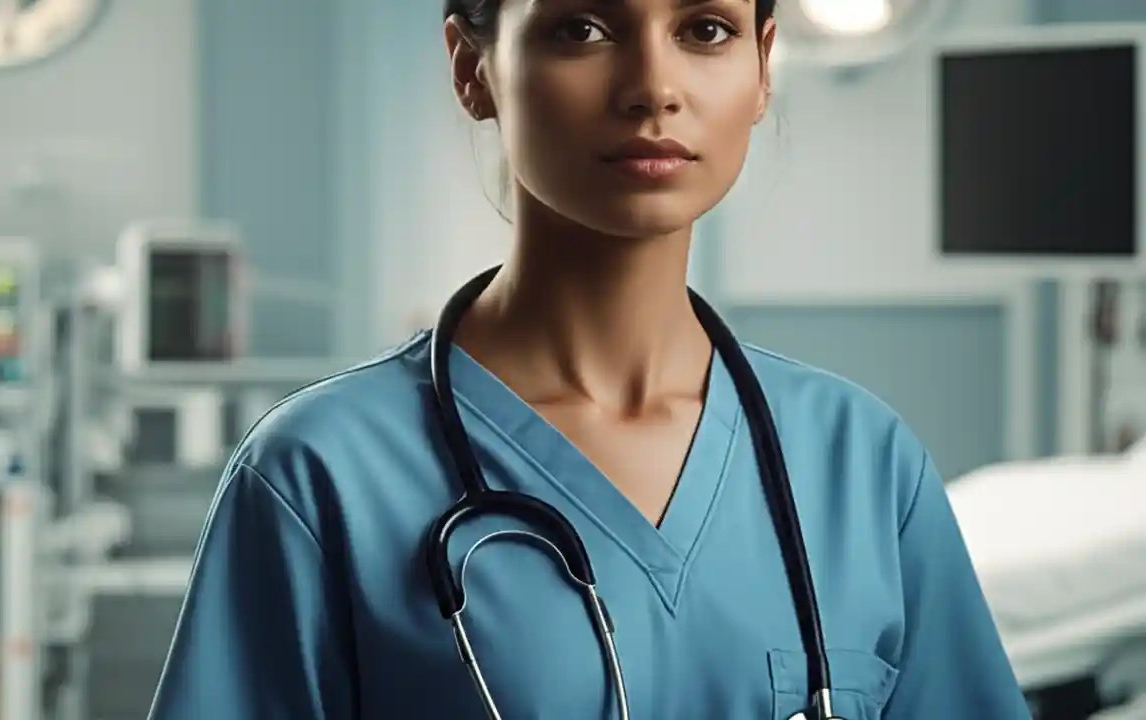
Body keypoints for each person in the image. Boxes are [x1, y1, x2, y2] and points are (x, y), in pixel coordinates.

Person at [148, 0, 1032, 717]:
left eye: (705, 31)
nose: (653, 87)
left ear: (764, 66)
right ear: (472, 67)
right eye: (582, 29)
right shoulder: (321, 473)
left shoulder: (858, 462)